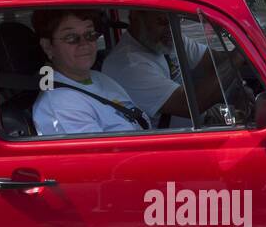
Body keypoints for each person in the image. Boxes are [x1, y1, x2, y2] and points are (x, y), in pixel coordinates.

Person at [101, 9, 243, 129]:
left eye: (175, 20)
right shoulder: (128, 65)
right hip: (174, 140)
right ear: (136, 19)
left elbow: (214, 60)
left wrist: (248, 50)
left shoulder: (167, 37)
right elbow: (191, 105)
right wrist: (238, 57)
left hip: (203, 119)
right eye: (162, 21)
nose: (170, 27)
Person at [32, 8, 150, 136]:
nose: (84, 44)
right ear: (48, 46)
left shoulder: (99, 78)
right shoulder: (61, 103)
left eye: (90, 35)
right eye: (71, 37)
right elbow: (101, 155)